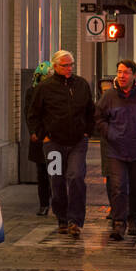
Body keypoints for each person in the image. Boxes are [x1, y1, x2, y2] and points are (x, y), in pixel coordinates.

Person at [27, 49, 95, 236]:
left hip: (77, 143)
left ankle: (76, 220)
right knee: (56, 180)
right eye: (65, 65)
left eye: (71, 65)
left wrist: (87, 131)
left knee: (75, 176)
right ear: (55, 66)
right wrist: (43, 136)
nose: (69, 68)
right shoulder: (45, 88)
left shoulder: (81, 85)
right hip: (53, 144)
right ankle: (62, 218)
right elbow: (33, 115)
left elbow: (91, 110)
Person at [96, 59, 136, 239]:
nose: (122, 76)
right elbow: (99, 117)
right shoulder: (109, 96)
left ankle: (134, 218)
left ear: (134, 75)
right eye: (120, 72)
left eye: (126, 72)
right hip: (116, 150)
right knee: (118, 186)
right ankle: (118, 222)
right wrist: (109, 133)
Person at [23, 62, 53, 216]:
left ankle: (57, 202)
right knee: (42, 172)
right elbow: (28, 113)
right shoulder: (32, 92)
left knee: (55, 171)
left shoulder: (56, 91)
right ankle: (44, 204)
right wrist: (33, 131)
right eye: (46, 76)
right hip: (39, 137)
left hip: (55, 137)